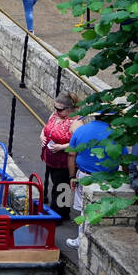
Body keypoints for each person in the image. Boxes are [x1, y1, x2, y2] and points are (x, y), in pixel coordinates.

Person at [65, 108, 118, 248]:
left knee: (83, 208)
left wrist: (71, 176)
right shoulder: (116, 135)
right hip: (108, 177)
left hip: (84, 175)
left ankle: (80, 240)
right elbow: (122, 158)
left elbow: (71, 155)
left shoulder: (81, 131)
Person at [40, 92, 81, 220]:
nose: (56, 111)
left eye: (59, 109)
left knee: (62, 187)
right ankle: (59, 211)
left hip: (64, 161)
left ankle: (60, 214)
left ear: (69, 109)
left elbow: (79, 142)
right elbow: (46, 127)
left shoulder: (76, 122)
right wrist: (42, 136)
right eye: (55, 108)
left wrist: (62, 147)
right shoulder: (56, 115)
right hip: (51, 157)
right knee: (56, 184)